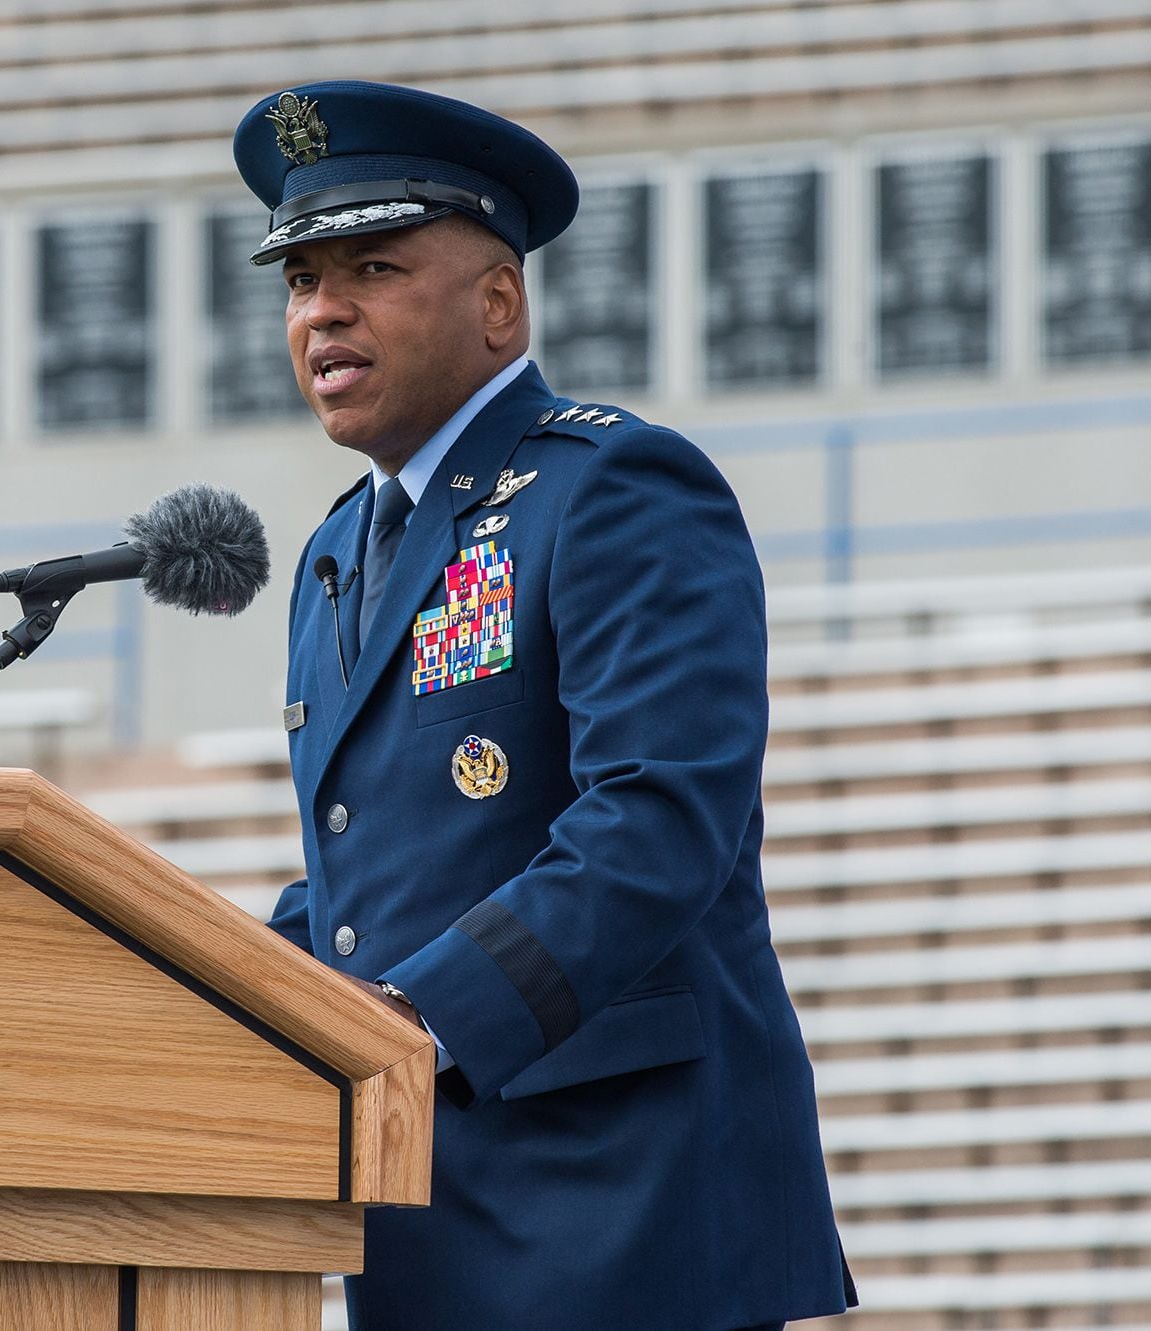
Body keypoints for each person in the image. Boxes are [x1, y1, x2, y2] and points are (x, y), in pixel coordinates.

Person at [236, 81, 857, 1331]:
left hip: (619, 1215)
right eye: (299, 280)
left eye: (371, 264)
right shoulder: (331, 558)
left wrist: (413, 1021)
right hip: (426, 1228)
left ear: (497, 304)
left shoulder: (613, 484)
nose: (323, 310)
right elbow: (356, 889)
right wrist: (229, 1003)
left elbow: (656, 818)